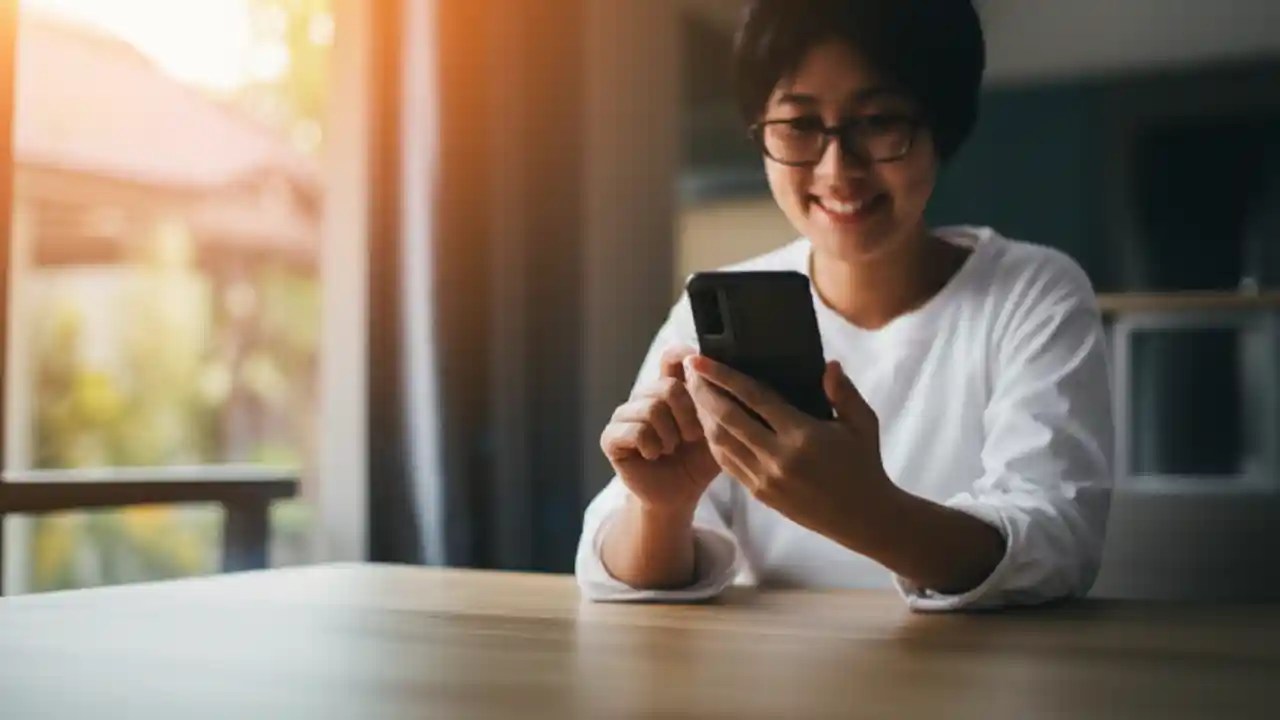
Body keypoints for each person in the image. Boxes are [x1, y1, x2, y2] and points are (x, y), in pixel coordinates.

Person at [575, 0, 1113, 611]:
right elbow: (617, 562)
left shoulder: (1030, 293)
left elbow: (1056, 544)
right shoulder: (717, 305)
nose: (837, 171)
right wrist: (661, 509)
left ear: (941, 128)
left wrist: (867, 514)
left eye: (879, 121)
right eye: (800, 126)